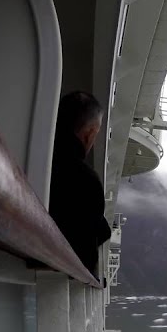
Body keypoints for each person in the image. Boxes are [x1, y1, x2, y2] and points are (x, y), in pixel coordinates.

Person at [49, 90, 112, 279]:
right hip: (51, 279)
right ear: (89, 133)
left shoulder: (31, 156)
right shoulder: (85, 180)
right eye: (97, 132)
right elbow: (85, 258)